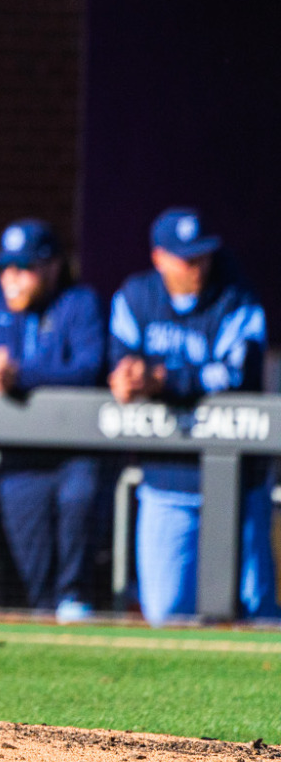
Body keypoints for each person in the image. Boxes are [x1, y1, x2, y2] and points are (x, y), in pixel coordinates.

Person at [108, 208, 273, 625]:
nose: (198, 267)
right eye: (187, 258)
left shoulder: (236, 297)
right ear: (160, 257)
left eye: (203, 256)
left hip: (239, 481)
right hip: (168, 477)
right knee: (165, 612)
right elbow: (115, 358)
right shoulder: (136, 295)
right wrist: (127, 376)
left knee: (255, 609)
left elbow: (235, 372)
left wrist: (164, 379)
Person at [0, 220, 107, 620]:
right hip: (20, 452)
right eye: (6, 268)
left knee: (77, 512)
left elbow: (89, 369)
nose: (12, 279)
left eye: (25, 268)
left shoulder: (79, 302)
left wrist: (20, 375)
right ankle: (44, 614)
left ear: (52, 267)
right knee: (33, 556)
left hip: (74, 450)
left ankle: (75, 603)